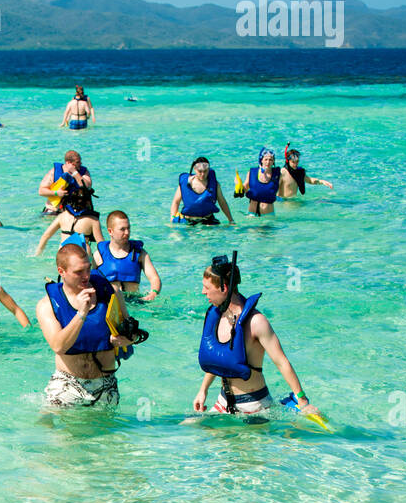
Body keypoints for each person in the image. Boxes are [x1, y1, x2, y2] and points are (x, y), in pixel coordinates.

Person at [192, 251, 322, 419]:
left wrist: (303, 401)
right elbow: (221, 357)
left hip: (254, 407)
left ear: (224, 288)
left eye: (207, 287)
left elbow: (281, 362)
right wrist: (203, 390)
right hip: (223, 403)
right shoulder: (218, 316)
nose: (203, 292)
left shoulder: (256, 322)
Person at [35, 244, 141, 409]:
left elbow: (132, 333)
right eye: (78, 272)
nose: (86, 276)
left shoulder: (110, 292)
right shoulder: (47, 305)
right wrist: (82, 313)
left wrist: (125, 340)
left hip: (106, 382)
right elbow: (58, 345)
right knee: (54, 429)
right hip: (67, 383)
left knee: (110, 435)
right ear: (61, 271)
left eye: (88, 269)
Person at [93, 211, 161, 301]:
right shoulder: (99, 255)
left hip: (133, 302)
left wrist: (153, 293)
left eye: (128, 228)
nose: (127, 232)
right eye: (122, 229)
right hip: (109, 304)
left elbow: (154, 278)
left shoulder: (139, 253)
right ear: (110, 231)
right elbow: (90, 281)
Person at [170, 156, 234, 226]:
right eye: (200, 171)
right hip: (189, 221)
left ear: (208, 169)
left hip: (208, 220)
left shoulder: (215, 184)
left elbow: (222, 202)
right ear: (195, 169)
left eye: (205, 171)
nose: (203, 174)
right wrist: (172, 217)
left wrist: (231, 220)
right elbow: (176, 202)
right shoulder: (185, 183)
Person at [243, 147, 280, 216]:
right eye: (265, 159)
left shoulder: (278, 174)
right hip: (252, 214)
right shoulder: (252, 172)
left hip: (268, 215)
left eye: (270, 160)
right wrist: (239, 189)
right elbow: (245, 187)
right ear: (261, 160)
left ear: (273, 161)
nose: (268, 162)